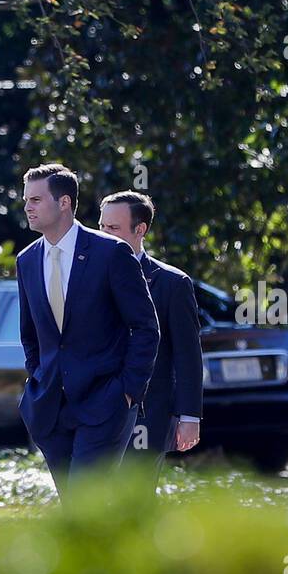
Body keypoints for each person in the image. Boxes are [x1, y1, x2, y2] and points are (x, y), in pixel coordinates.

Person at [16, 164, 159, 492]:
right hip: (50, 408)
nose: (27, 207)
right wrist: (37, 380)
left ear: (64, 202)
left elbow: (145, 327)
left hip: (105, 402)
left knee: (87, 503)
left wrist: (127, 390)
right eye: (26, 200)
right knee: (73, 512)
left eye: (36, 199)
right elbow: (30, 335)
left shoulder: (111, 252)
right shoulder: (26, 260)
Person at [98, 190, 203, 476]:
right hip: (95, 409)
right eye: (102, 227)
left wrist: (189, 416)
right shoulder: (85, 274)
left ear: (140, 229)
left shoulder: (172, 283)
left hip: (148, 412)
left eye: (114, 228)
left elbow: (187, 354)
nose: (105, 234)